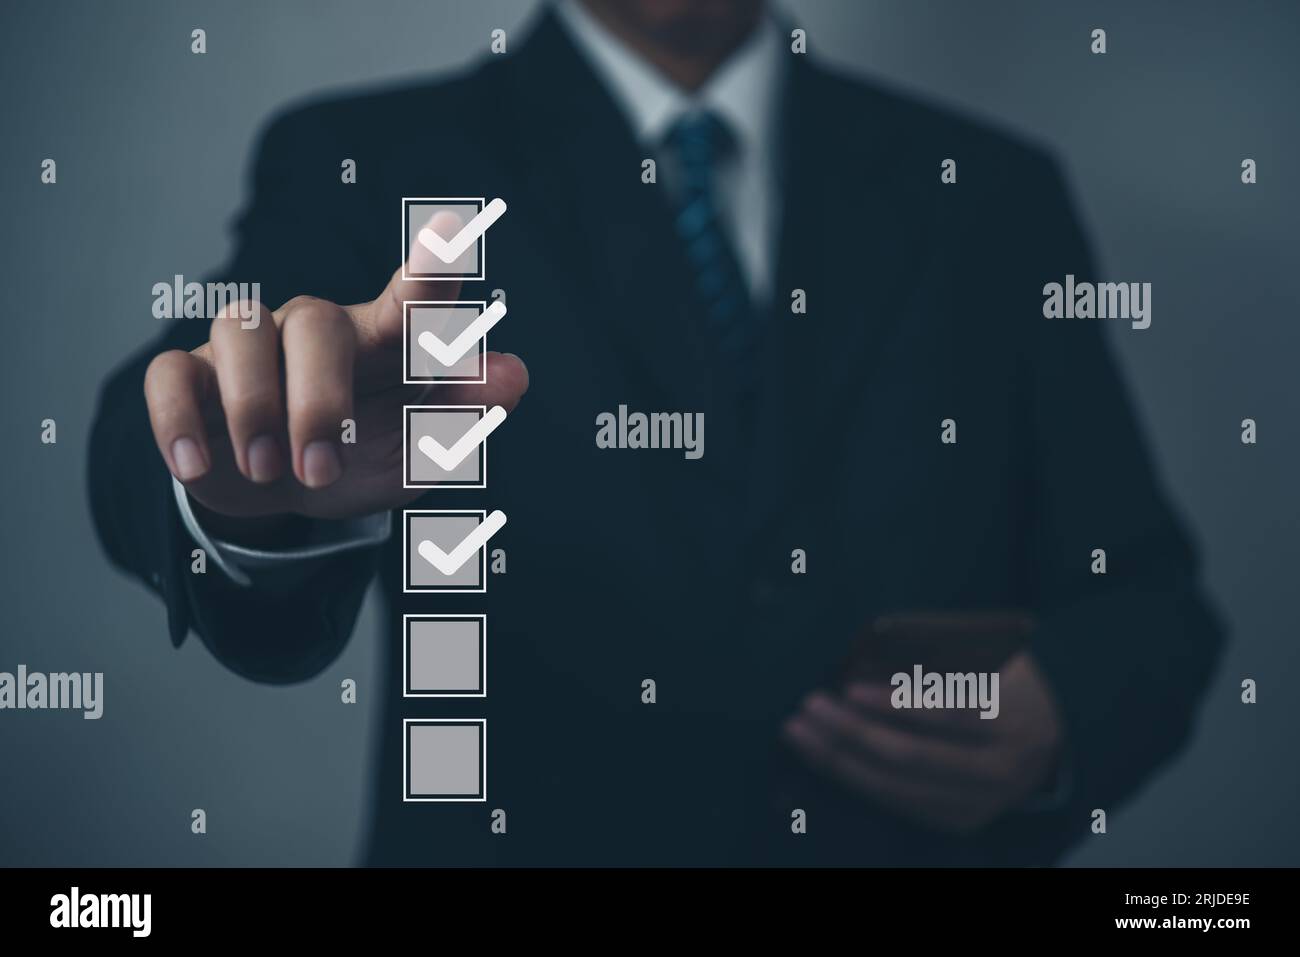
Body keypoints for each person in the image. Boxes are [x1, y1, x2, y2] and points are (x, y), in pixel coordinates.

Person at [89, 0, 1224, 865]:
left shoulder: (992, 196)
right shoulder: (373, 159)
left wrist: (1059, 719)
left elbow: (1144, 596)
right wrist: (242, 473)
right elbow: (169, 408)